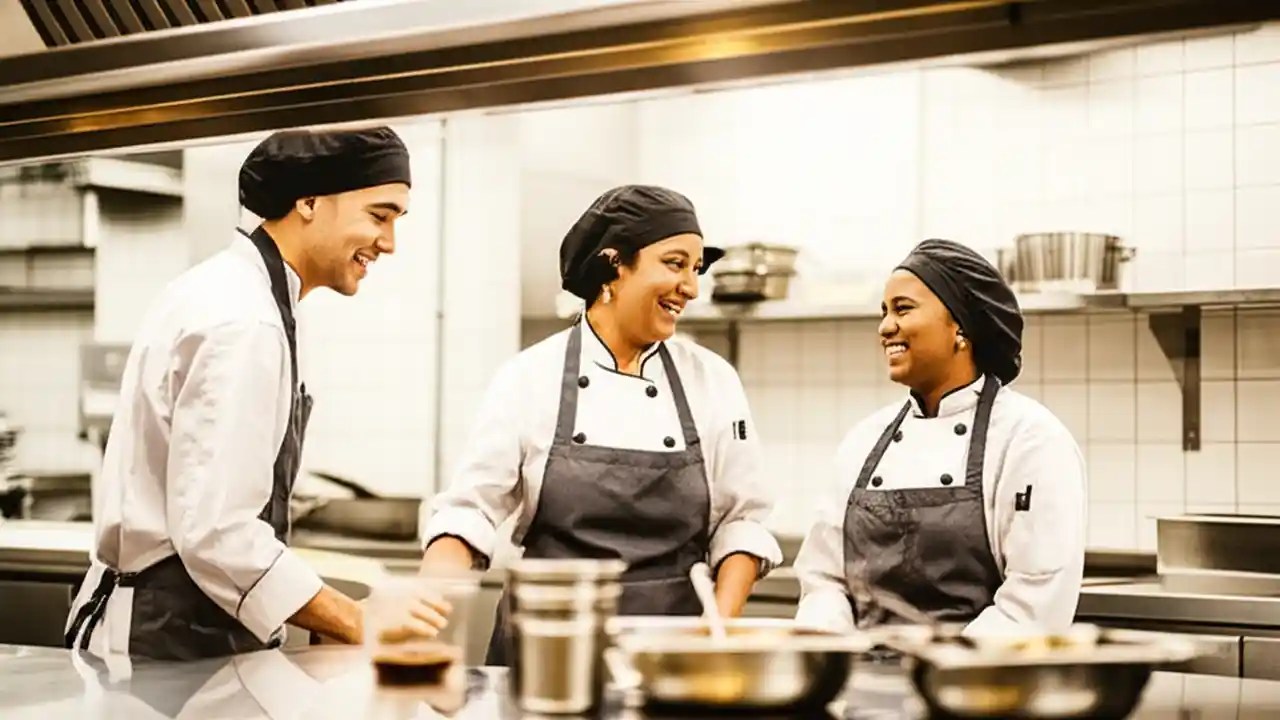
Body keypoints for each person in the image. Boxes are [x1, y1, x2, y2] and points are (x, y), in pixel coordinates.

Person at [64, 126, 425, 660]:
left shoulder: (242, 295)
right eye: (380, 215)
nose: (390, 243)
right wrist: (355, 620)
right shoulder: (244, 319)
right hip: (163, 643)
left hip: (191, 631)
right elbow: (218, 532)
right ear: (308, 202)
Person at [419, 185, 783, 665]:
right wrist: (422, 608)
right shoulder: (531, 377)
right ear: (614, 264)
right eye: (675, 264)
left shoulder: (711, 380)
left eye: (696, 269)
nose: (692, 288)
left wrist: (714, 632)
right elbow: (471, 511)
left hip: (668, 658)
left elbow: (742, 524)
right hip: (544, 650)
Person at [793, 239, 1086, 637]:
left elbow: (1033, 605)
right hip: (861, 685)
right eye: (883, 312)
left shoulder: (1031, 440)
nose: (885, 326)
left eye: (903, 309)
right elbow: (824, 580)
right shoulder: (863, 440)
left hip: (975, 687)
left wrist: (940, 675)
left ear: (960, 327)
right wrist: (830, 654)